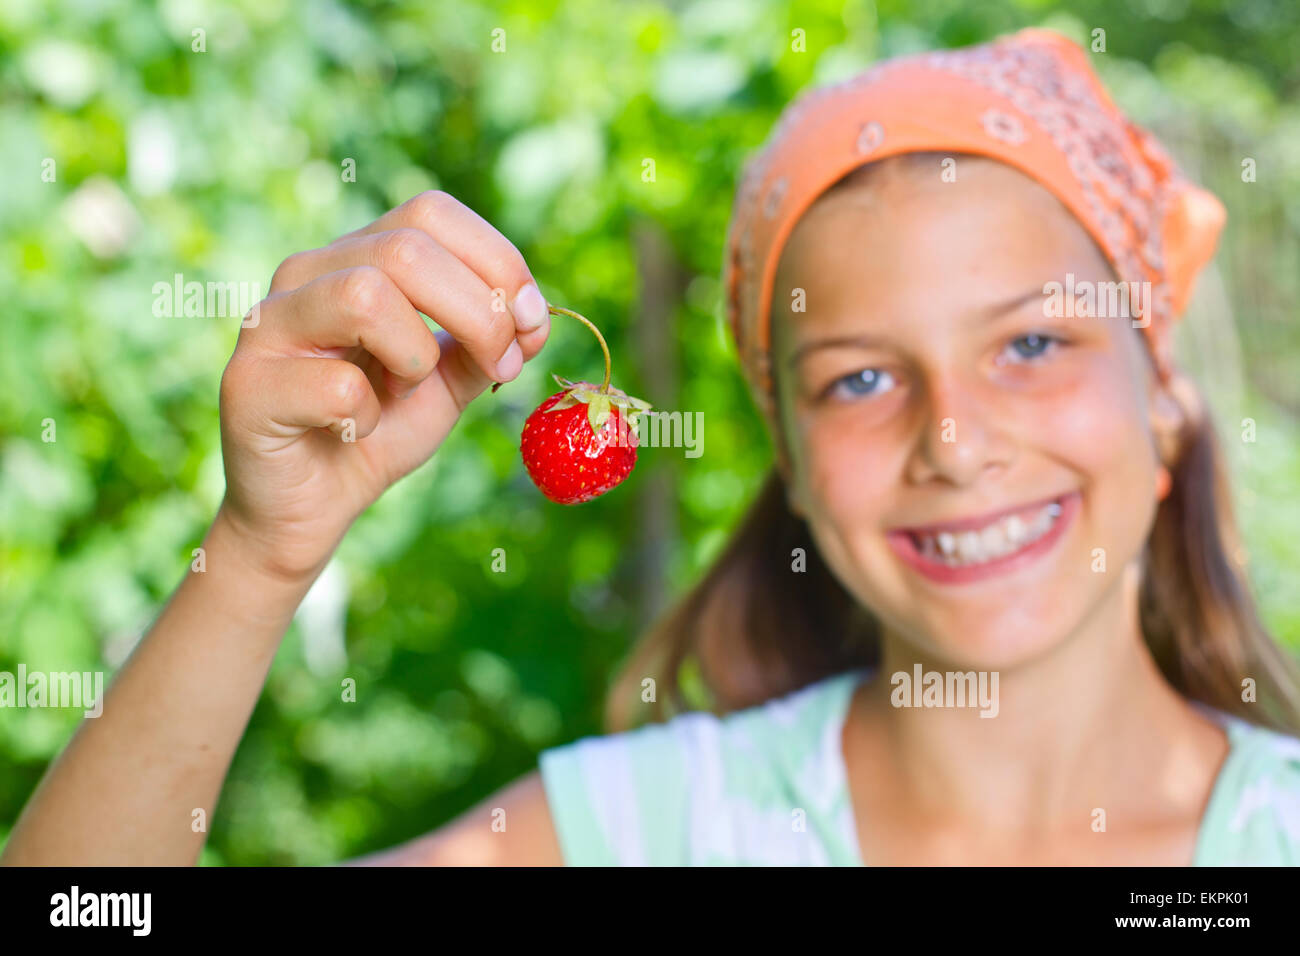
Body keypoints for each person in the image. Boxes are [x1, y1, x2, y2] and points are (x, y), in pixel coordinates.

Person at [4, 28, 1298, 867]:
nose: (954, 442)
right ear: (787, 460)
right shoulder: (644, 832)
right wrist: (258, 555)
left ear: (1167, 391)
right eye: (858, 378)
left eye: (1031, 345)